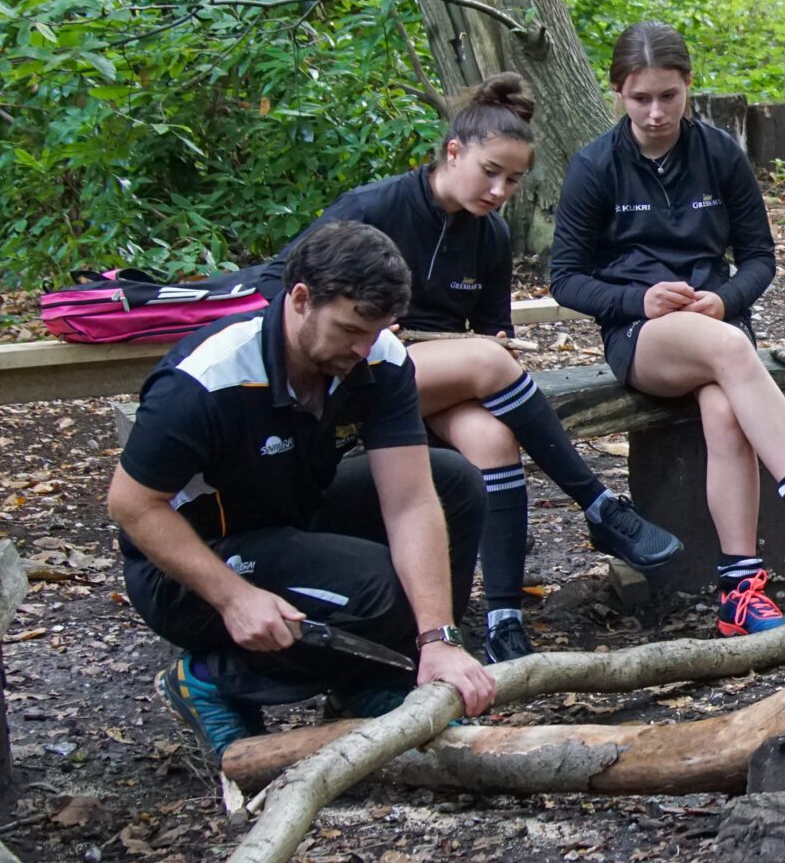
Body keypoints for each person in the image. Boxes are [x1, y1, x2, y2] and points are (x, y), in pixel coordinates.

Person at [266, 74, 683, 664]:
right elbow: (278, 284)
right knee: (485, 361)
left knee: (492, 436)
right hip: (351, 370)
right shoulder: (372, 207)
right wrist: (365, 326)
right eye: (490, 172)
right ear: (453, 151)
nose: (498, 191)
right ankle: (597, 504)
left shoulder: (491, 235)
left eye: (512, 181)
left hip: (431, 383)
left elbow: (492, 332)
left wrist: (490, 345)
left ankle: (503, 618)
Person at [111, 220, 498, 765]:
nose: (363, 347)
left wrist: (439, 637)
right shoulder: (207, 380)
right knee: (379, 589)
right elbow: (130, 505)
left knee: (452, 482)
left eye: (377, 330)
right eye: (350, 329)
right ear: (300, 299)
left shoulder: (378, 357)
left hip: (289, 512)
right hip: (191, 562)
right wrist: (233, 597)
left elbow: (410, 501)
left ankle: (384, 678)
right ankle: (211, 679)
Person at [550, 21, 785, 635]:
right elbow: (565, 279)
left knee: (725, 412)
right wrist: (639, 299)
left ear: (689, 86)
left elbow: (759, 259)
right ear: (618, 92)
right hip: (641, 336)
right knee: (729, 351)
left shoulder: (719, 153)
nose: (654, 113)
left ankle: (740, 594)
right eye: (640, 98)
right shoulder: (595, 166)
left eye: (668, 96)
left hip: (719, 329)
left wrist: (723, 301)